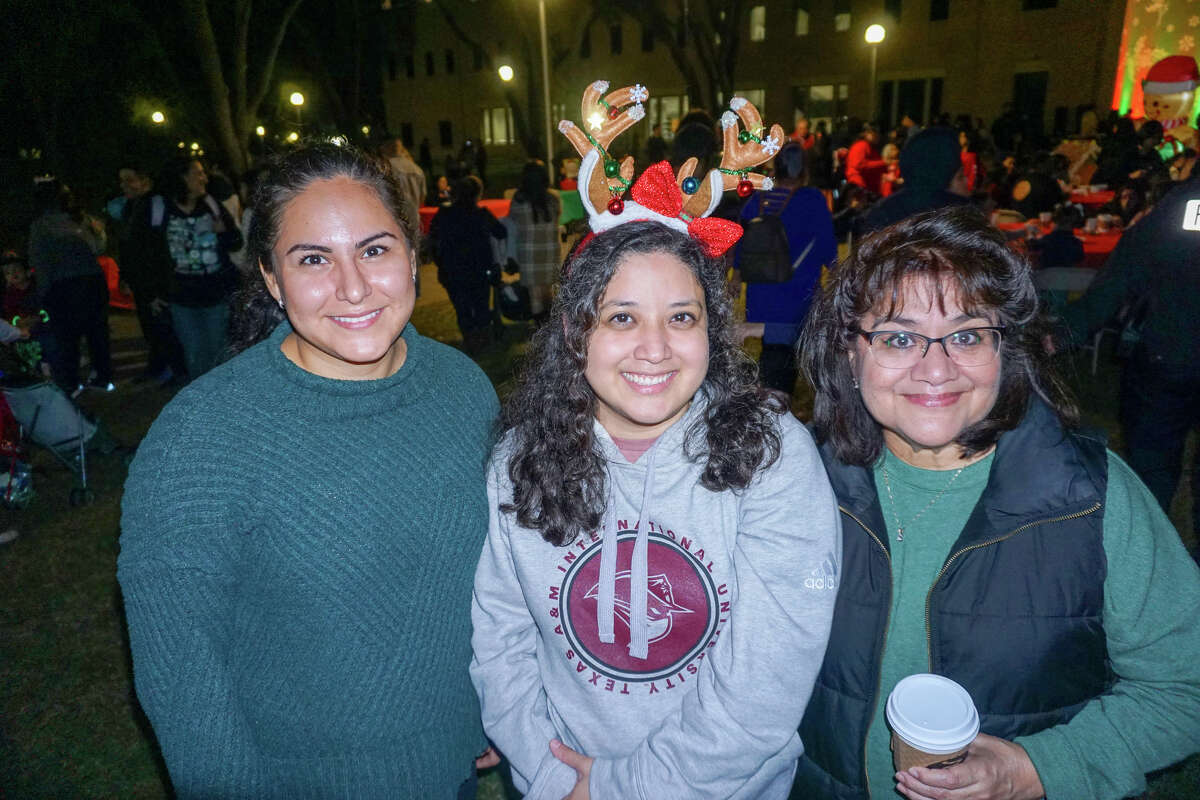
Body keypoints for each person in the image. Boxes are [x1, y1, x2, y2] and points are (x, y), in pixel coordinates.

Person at [119, 144, 499, 798]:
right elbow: (182, 678)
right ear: (270, 277)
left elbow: (492, 580)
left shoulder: (462, 390)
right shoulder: (200, 440)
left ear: (413, 253)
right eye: (314, 259)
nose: (353, 287)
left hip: (457, 769)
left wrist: (499, 704)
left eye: (375, 250)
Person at [792, 205, 1200, 800]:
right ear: (850, 354)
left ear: (1005, 350)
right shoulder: (792, 487)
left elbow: (1187, 685)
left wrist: (1038, 768)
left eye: (966, 335)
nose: (936, 368)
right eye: (899, 337)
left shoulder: (1086, 499)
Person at [471, 219, 840, 799]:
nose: (655, 347)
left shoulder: (770, 452)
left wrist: (627, 788)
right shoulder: (521, 460)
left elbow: (765, 684)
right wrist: (550, 778)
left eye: (681, 317)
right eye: (622, 317)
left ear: (712, 331)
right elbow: (501, 640)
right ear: (574, 332)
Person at [1059, 174, 1200, 565]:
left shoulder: (1183, 203)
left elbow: (1126, 270)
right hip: (1169, 355)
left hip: (1168, 356)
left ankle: (1146, 564)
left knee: (1152, 469)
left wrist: (1068, 329)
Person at [734, 141, 837, 395]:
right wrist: (835, 273)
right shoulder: (812, 200)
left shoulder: (758, 200)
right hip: (796, 290)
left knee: (774, 351)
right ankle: (775, 407)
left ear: (776, 169)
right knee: (784, 354)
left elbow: (741, 240)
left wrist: (735, 276)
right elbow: (826, 244)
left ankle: (766, 397)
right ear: (805, 170)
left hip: (761, 291)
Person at [137, 158, 242, 381]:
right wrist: (152, 292)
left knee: (219, 354)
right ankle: (204, 407)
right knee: (194, 356)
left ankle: (225, 405)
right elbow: (144, 254)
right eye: (198, 174)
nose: (204, 178)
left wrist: (223, 232)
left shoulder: (210, 204)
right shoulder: (158, 208)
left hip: (215, 294)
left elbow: (236, 241)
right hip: (180, 297)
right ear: (181, 178)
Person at [27, 178, 114, 395]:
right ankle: (102, 377)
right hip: (91, 282)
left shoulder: (42, 226)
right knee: (96, 333)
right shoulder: (79, 219)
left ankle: (72, 382)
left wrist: (43, 294)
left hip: (63, 286)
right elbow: (97, 248)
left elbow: (40, 262)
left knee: (67, 337)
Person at [429, 175, 506, 354]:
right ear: (477, 194)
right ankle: (481, 340)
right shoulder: (481, 214)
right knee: (481, 306)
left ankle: (470, 339)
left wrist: (440, 263)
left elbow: (432, 241)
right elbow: (501, 232)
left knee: (462, 308)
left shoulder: (444, 215)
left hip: (453, 271)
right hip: (479, 270)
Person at [856, 126, 971, 235]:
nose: (967, 182)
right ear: (942, 180)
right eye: (960, 177)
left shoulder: (882, 215)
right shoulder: (960, 225)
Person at [506, 160, 560, 322]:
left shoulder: (519, 200)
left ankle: (539, 326)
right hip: (550, 251)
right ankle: (551, 324)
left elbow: (512, 224)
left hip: (529, 253)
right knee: (549, 292)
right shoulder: (553, 199)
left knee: (535, 294)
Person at [845, 123, 887, 196]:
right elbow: (859, 165)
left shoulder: (868, 146)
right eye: (875, 133)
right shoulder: (861, 145)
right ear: (866, 133)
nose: (878, 136)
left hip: (865, 187)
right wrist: (884, 163)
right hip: (860, 187)